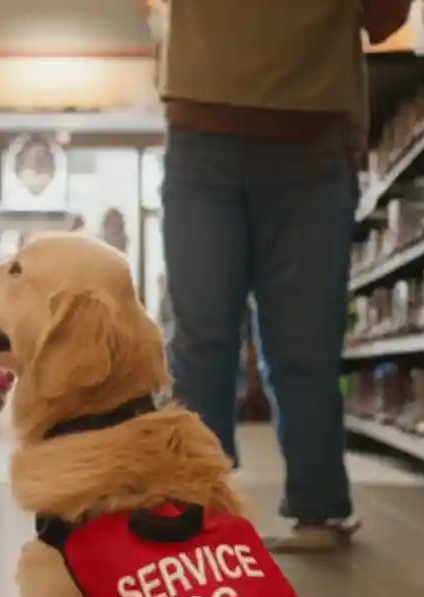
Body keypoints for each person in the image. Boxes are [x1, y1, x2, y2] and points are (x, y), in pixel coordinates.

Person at [157, 1, 409, 551]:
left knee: (215, 338)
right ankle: (236, 501)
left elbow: (386, 17)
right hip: (279, 130)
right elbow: (386, 19)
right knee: (290, 343)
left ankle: (209, 504)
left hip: (271, 133)